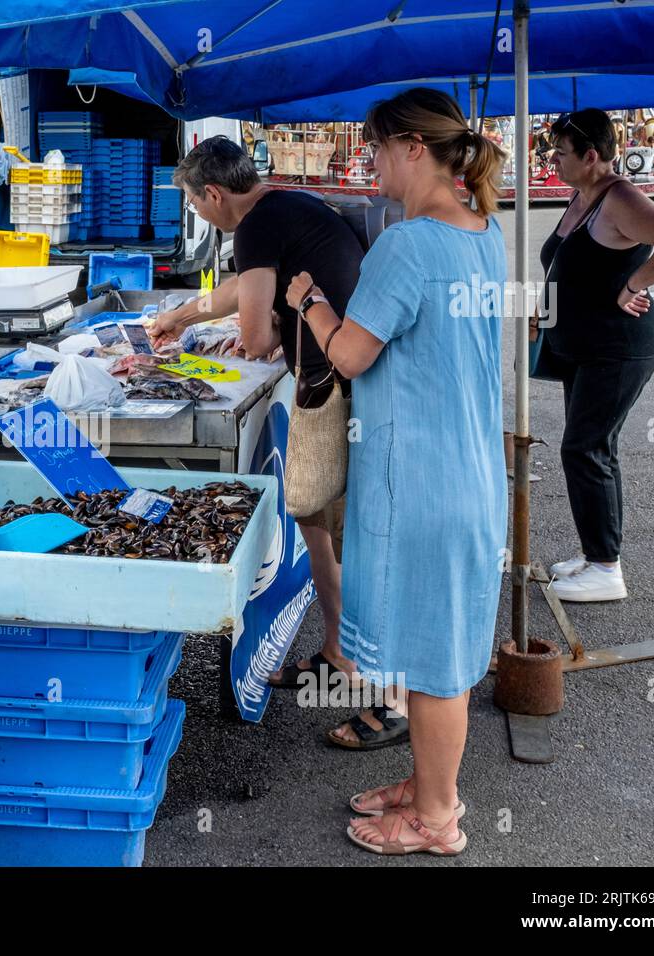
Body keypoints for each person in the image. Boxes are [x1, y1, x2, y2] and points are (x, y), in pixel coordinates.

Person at [286, 87, 508, 855]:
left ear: (413, 147)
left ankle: (437, 818)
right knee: (433, 649)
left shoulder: (407, 247)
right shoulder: (484, 233)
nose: (368, 160)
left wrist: (310, 299)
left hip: (425, 484)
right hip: (470, 474)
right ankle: (425, 783)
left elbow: (348, 354)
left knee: (438, 666)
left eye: (376, 146)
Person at [149, 138, 403, 749]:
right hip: (346, 384)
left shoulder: (255, 226)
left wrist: (237, 333)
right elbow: (246, 292)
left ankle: (388, 692)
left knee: (350, 535)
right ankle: (340, 656)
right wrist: (182, 316)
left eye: (194, 203)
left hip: (336, 389)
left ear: (214, 193)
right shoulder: (287, 206)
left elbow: (257, 335)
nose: (198, 216)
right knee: (318, 523)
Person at [536, 109, 654, 601]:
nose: (553, 160)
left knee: (584, 448)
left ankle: (607, 569)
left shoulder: (621, 197)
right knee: (593, 449)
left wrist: (635, 282)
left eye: (561, 153)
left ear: (591, 156)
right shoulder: (582, 196)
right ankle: (594, 555)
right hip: (583, 347)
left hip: (619, 349)